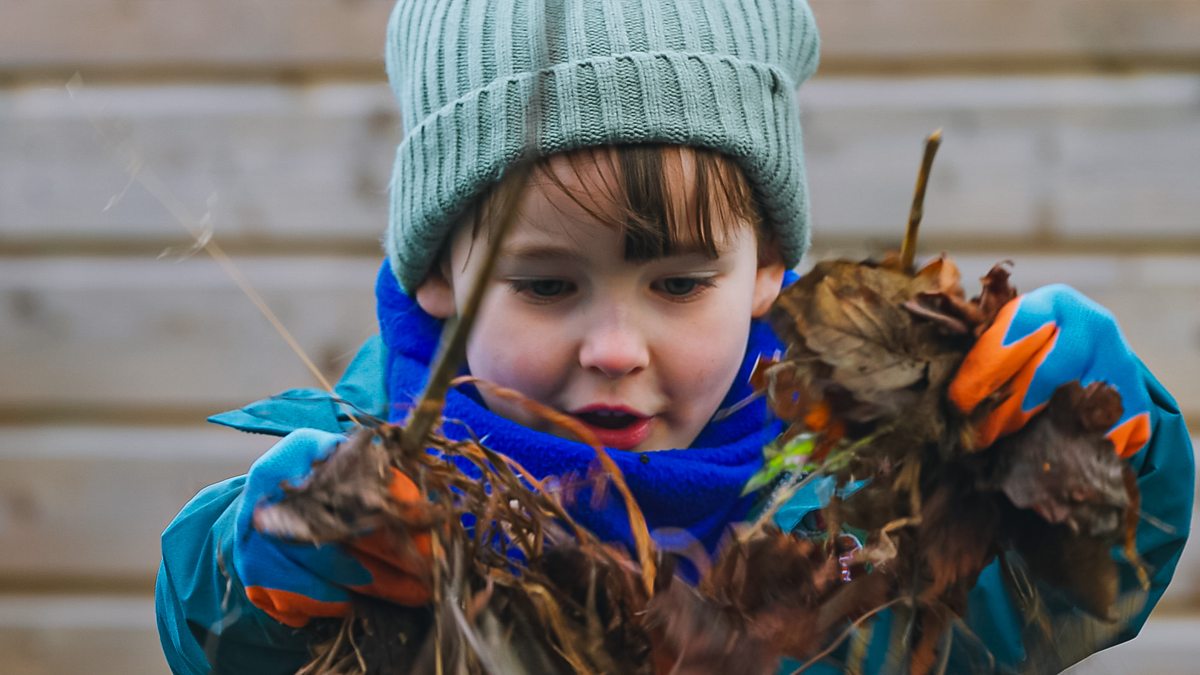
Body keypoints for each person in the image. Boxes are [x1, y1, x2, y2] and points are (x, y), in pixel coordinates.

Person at [154, 0, 1193, 673]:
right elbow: (207, 632)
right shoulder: (393, 516)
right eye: (550, 283)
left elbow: (1073, 591)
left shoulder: (851, 529)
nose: (616, 346)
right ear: (439, 275)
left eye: (680, 282)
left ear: (766, 271)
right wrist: (270, 570)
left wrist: (1086, 439)